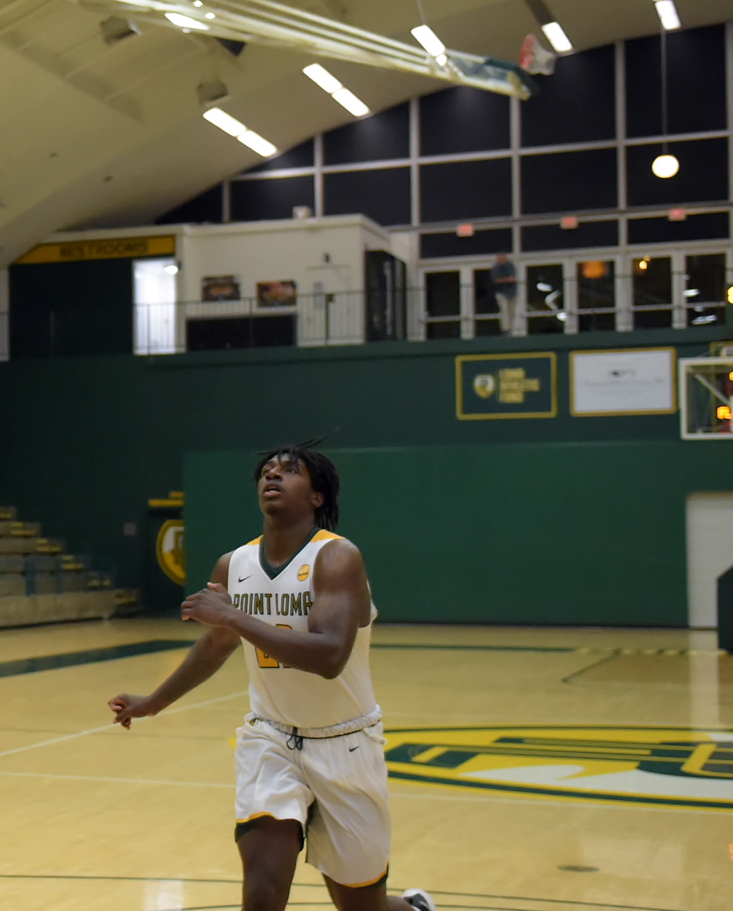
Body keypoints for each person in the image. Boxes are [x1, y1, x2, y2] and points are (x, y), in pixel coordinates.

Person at [108, 444, 435, 911]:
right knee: (261, 892)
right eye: (267, 470)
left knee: (363, 907)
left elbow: (329, 656)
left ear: (317, 496)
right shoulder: (234, 565)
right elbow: (217, 644)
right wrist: (153, 702)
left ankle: (415, 907)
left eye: (289, 470)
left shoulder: (336, 558)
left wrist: (234, 617)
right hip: (271, 739)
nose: (273, 476)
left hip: (346, 744)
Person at [490, 253, 518, 335]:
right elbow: (496, 280)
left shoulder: (510, 266)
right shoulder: (496, 268)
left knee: (511, 311)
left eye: (502, 258)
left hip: (512, 292)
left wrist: (503, 279)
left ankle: (511, 328)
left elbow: (513, 279)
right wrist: (507, 279)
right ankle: (505, 329)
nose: (501, 260)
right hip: (501, 292)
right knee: (504, 309)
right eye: (500, 259)